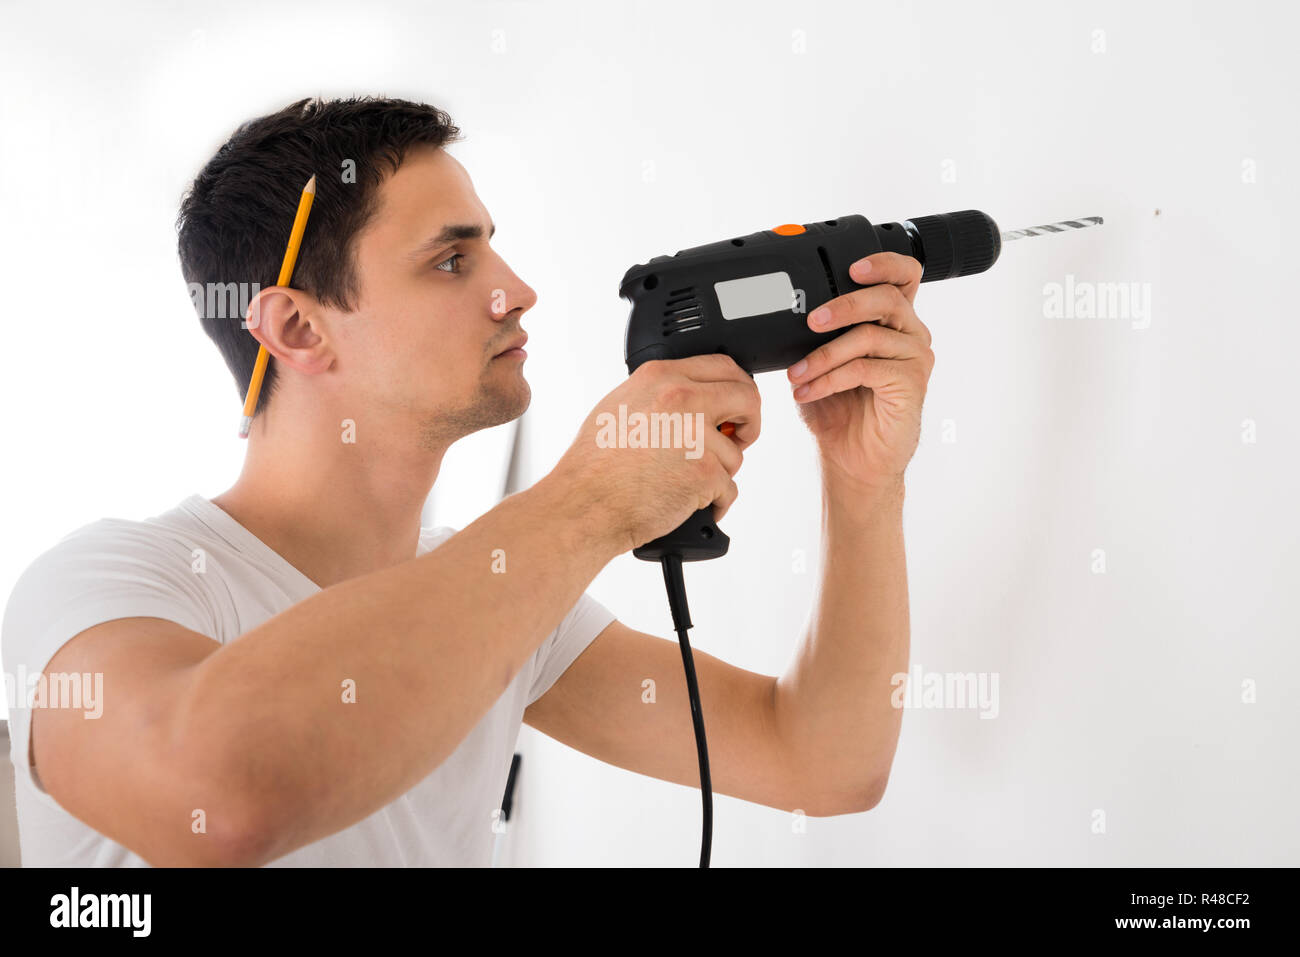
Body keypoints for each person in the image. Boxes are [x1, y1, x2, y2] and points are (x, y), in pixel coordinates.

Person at [1, 96, 934, 866]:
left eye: (492, 247)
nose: (516, 287)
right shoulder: (103, 586)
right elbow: (223, 793)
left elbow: (823, 759)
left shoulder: (498, 601)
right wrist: (589, 501)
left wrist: (863, 487)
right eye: (452, 260)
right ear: (296, 330)